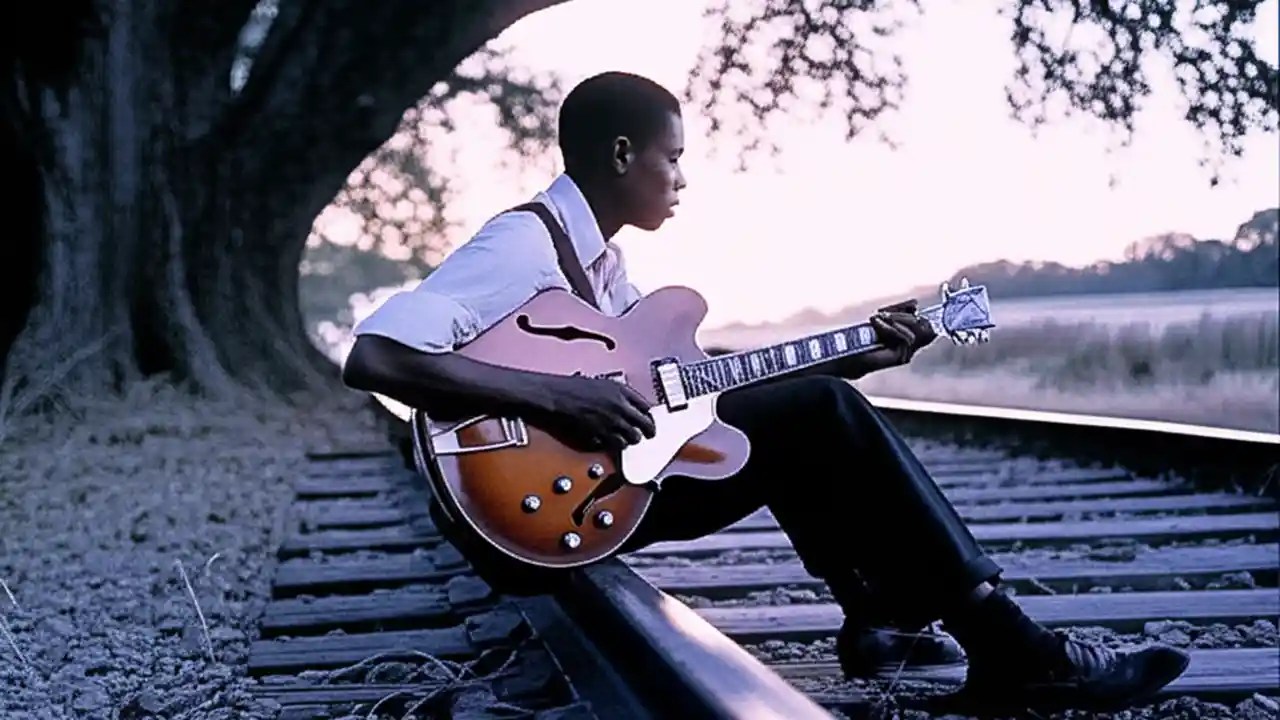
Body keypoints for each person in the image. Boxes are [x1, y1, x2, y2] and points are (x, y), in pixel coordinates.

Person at [341, 71, 1189, 713]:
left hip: (590, 490)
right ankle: (1013, 647)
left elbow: (692, 391)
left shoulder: (603, 266)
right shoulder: (521, 244)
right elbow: (375, 357)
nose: (682, 179)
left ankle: (875, 626)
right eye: (674, 159)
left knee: (798, 414)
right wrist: (557, 401)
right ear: (624, 155)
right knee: (816, 417)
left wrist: (848, 356)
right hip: (525, 513)